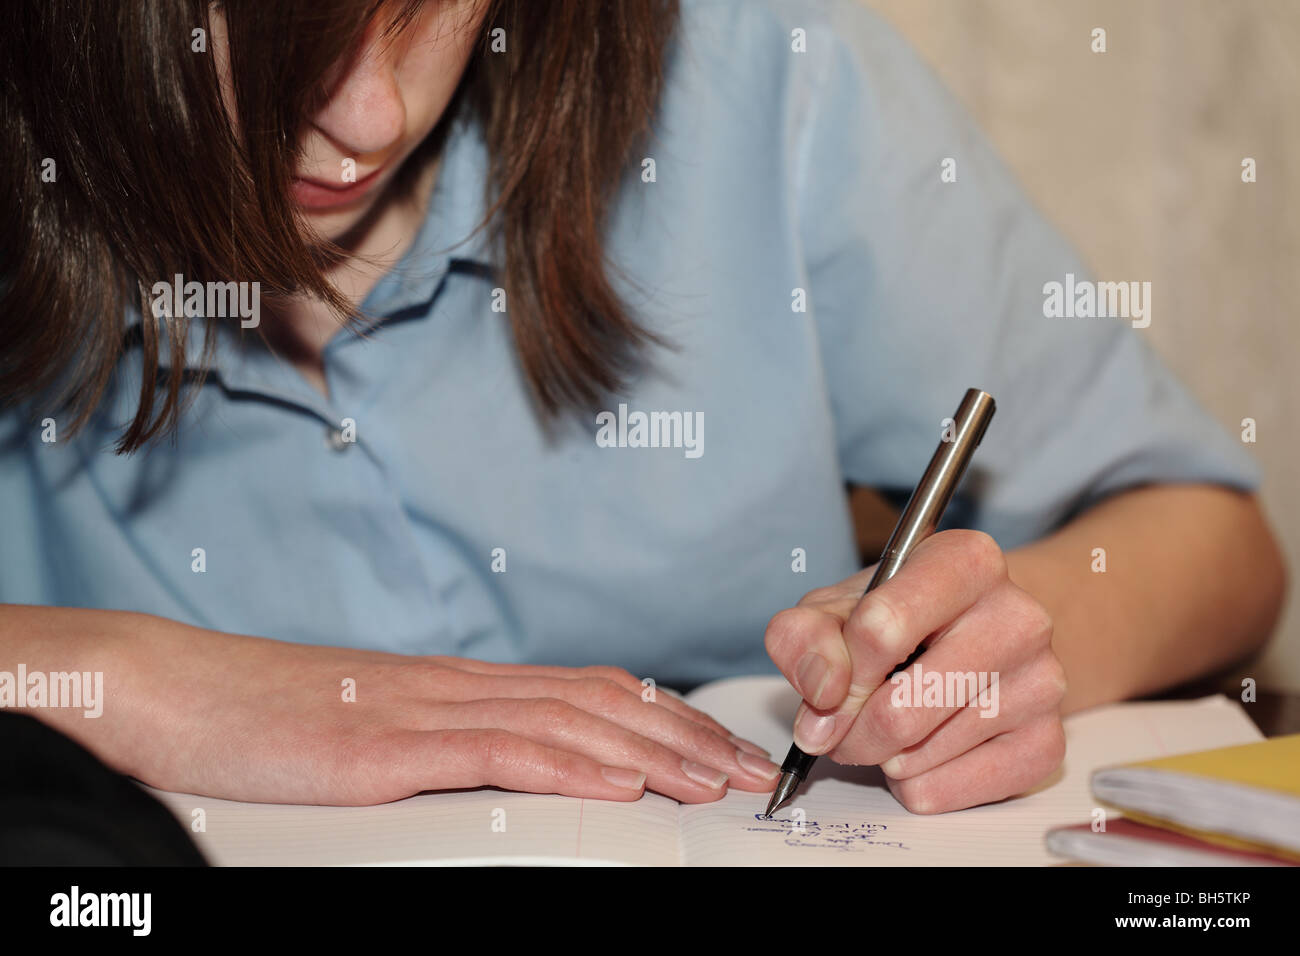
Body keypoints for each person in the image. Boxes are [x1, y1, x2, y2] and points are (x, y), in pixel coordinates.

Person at [0, 0, 1285, 816]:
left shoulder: (756, 77)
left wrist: (988, 647)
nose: (370, 114)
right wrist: (125, 680)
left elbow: (1213, 537)